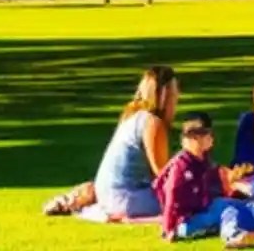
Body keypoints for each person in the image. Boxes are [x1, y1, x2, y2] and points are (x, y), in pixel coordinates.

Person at [42, 65, 180, 218]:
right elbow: (163, 175)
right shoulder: (152, 123)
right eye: (174, 94)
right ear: (163, 96)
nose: (176, 99)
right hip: (124, 199)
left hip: (108, 195)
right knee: (191, 197)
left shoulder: (133, 117)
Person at [157, 113, 254, 248]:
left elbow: (216, 181)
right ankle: (234, 235)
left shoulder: (201, 160)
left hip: (203, 209)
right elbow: (171, 196)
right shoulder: (181, 165)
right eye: (208, 135)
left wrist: (235, 180)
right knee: (228, 211)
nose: (212, 139)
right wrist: (168, 228)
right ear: (196, 138)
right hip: (185, 222)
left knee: (231, 205)